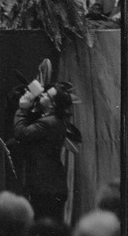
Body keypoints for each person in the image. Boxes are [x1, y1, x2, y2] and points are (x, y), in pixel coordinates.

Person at [11, 80, 78, 221]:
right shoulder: (53, 119)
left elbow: (21, 133)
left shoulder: (49, 122)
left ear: (53, 105)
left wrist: (22, 110)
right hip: (50, 187)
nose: (42, 95)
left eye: (47, 95)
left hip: (47, 189)